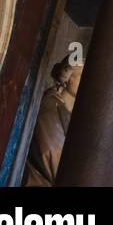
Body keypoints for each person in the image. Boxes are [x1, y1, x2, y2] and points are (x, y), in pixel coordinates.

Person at [24, 58, 83, 186]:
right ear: (66, 79)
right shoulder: (49, 107)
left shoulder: (67, 111)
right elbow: (53, 157)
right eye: (80, 76)